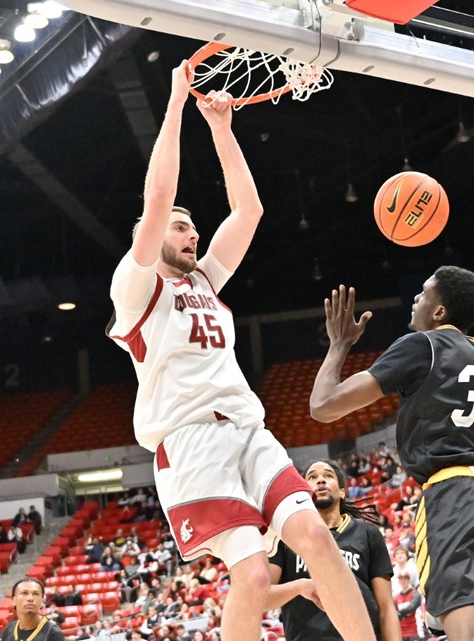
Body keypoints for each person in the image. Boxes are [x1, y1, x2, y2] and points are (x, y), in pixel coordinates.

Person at [108, 63, 376, 641]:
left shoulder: (203, 281)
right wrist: (177, 102)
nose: (191, 234)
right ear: (153, 238)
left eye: (192, 227)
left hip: (248, 428)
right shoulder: (134, 287)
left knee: (315, 536)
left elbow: (248, 211)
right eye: (181, 228)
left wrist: (222, 127)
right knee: (253, 575)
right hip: (190, 438)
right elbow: (157, 197)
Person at [310, 271, 474, 641]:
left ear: (439, 312)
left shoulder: (422, 346)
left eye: (422, 294)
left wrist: (339, 345)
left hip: (454, 497)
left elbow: (324, 406)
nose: (414, 299)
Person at [267, 460, 400, 641]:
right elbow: (261, 598)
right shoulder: (285, 537)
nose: (320, 480)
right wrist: (299, 587)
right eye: (312, 477)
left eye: (328, 476)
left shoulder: (368, 533)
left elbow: (386, 606)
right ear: (303, 492)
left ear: (343, 492)